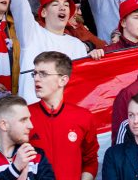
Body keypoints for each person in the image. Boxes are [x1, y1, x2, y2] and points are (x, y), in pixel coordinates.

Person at [3, 0, 90, 103]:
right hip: (34, 115)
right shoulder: (32, 34)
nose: (62, 8)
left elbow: (83, 85)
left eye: (66, 5)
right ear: (43, 12)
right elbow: (19, 5)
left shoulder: (78, 45)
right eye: (55, 4)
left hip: (66, 115)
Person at [28, 51, 98, 180]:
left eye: (43, 74)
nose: (36, 78)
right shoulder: (25, 116)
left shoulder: (83, 117)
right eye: (35, 73)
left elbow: (90, 161)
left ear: (63, 80)